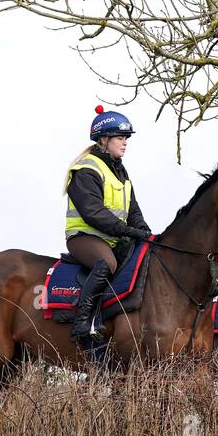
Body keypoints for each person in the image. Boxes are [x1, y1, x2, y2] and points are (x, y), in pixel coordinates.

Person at [64, 105, 152, 342]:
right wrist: (126, 231)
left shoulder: (121, 172)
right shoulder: (86, 168)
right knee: (106, 264)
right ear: (104, 139)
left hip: (112, 237)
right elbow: (93, 212)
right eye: (120, 138)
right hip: (85, 236)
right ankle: (83, 322)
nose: (125, 143)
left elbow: (133, 210)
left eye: (126, 138)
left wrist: (144, 231)